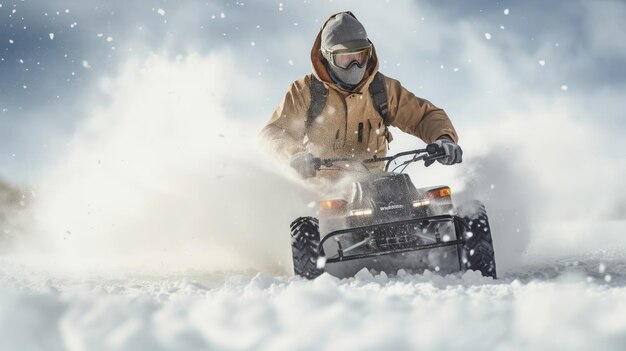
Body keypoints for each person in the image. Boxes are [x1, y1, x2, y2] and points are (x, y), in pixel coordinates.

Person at [260, 11, 462, 180]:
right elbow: (273, 133)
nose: (355, 64)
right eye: (345, 58)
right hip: (324, 196)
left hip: (376, 186)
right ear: (328, 57)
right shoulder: (306, 90)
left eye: (360, 55)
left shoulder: (382, 89)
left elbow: (423, 116)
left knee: (432, 205)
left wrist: (444, 139)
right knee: (310, 223)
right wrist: (295, 156)